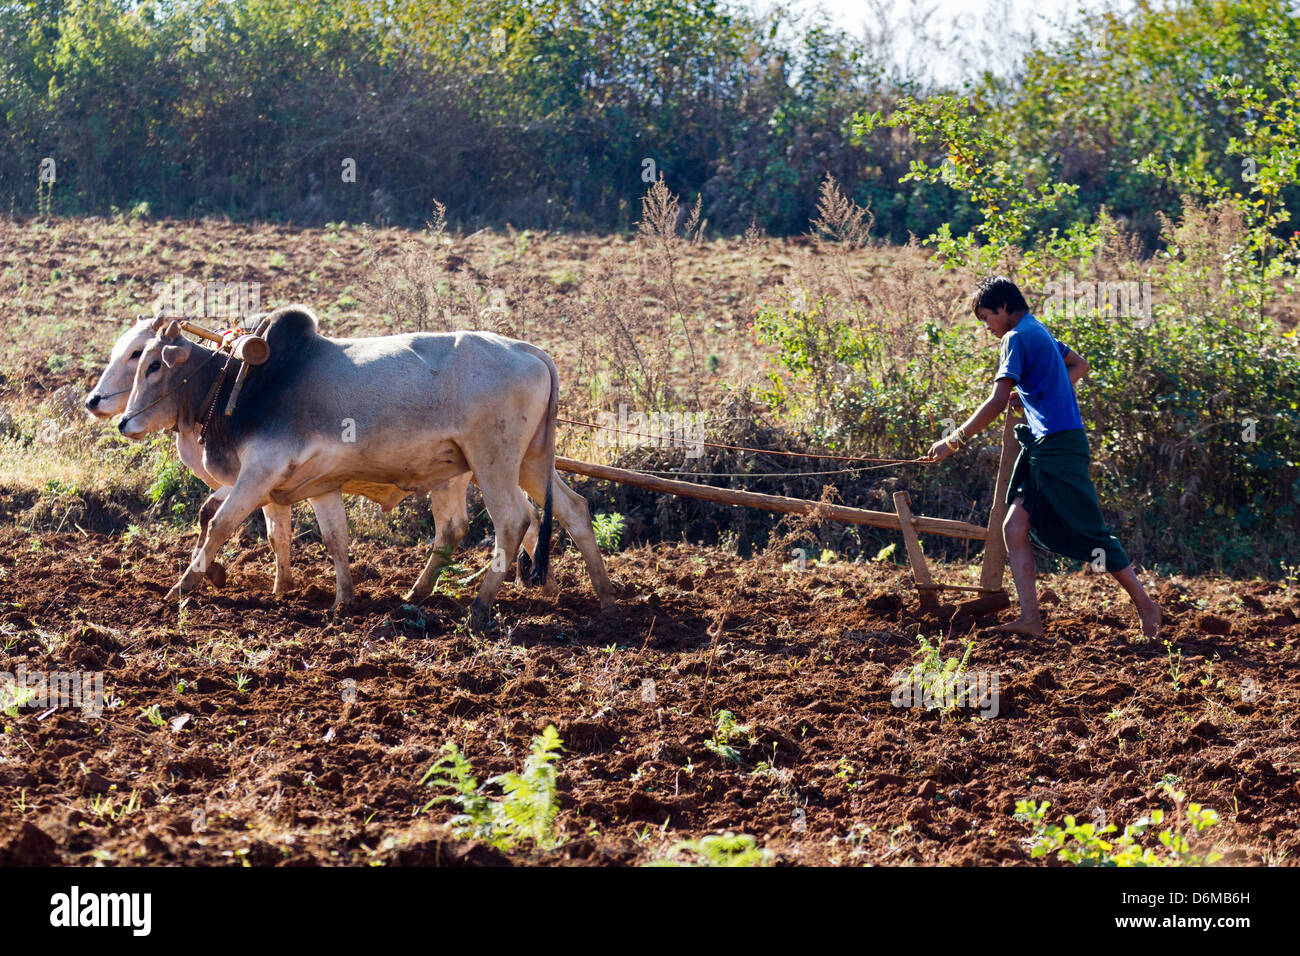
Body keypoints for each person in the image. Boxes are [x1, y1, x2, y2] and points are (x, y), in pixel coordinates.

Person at [926, 276, 1161, 638]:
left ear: (1003, 308)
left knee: (1091, 531)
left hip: (1059, 447)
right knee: (1014, 528)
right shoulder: (1037, 330)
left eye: (986, 317)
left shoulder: (1015, 338)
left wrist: (953, 440)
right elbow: (1079, 366)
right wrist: (1036, 393)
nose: (986, 327)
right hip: (1049, 443)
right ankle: (1030, 620)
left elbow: (997, 400)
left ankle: (1146, 605)